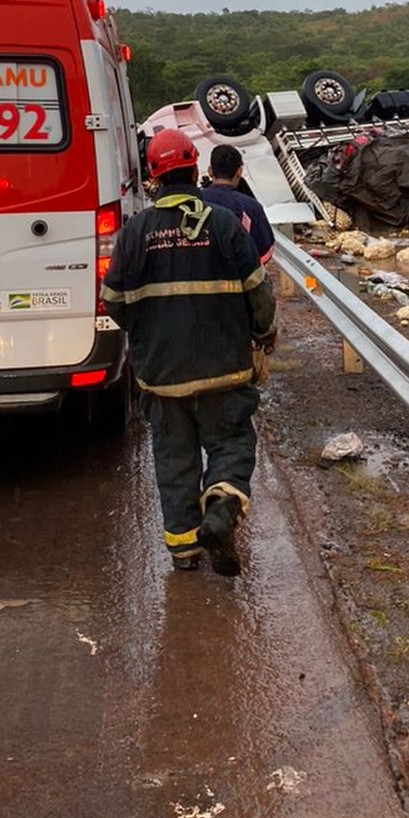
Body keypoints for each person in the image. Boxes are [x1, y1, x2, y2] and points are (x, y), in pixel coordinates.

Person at [102, 127, 277, 577]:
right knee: (232, 444)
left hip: (162, 374)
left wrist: (148, 333)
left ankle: (184, 552)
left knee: (174, 460)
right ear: (194, 168)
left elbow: (114, 302)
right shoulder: (222, 223)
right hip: (225, 367)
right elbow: (258, 291)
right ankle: (220, 507)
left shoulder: (133, 233)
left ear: (154, 177)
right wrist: (263, 332)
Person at [201, 144, 275, 264]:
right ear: (239, 171)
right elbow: (265, 253)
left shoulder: (193, 200)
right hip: (237, 278)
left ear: (210, 171)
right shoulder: (251, 207)